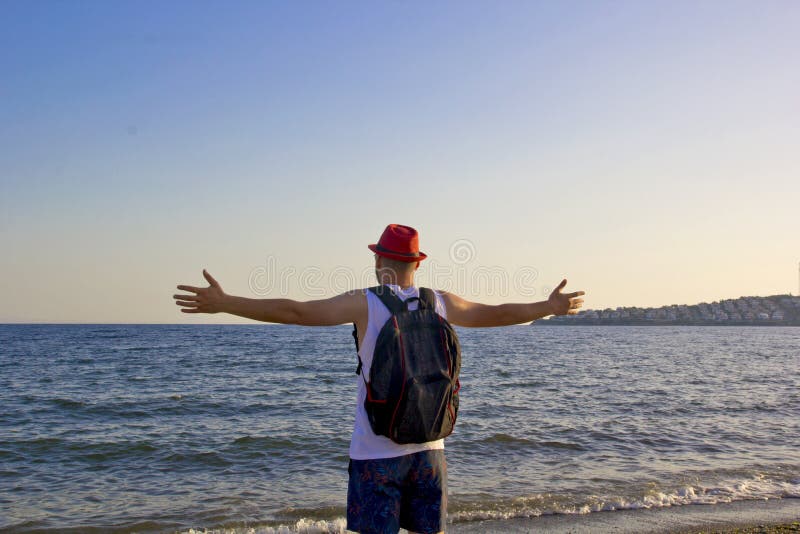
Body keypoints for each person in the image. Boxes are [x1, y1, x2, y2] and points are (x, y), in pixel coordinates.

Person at [173, 224, 585, 534]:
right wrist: (547, 306)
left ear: (378, 261)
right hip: (430, 451)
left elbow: (296, 312)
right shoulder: (440, 302)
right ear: (417, 263)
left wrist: (226, 304)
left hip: (376, 454)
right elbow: (497, 313)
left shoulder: (365, 303)